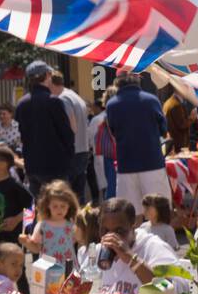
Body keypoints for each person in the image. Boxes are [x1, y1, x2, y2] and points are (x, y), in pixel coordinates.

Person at [105, 72, 170, 213]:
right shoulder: (151, 100)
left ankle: (134, 235)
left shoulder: (111, 105)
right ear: (138, 81)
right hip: (152, 161)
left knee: (130, 213)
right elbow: (163, 130)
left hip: (126, 164)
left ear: (117, 82)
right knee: (159, 210)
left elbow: (113, 132)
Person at [14, 61, 75, 201]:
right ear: (47, 75)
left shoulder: (22, 104)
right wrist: (69, 157)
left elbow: (21, 135)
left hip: (32, 165)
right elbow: (66, 134)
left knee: (39, 207)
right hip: (55, 165)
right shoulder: (54, 101)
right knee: (59, 206)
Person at [96, 197, 179, 294]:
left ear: (133, 226)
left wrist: (131, 259)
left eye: (119, 231)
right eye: (105, 231)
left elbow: (169, 291)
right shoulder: (101, 251)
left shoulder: (154, 247)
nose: (111, 237)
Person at [50, 72, 92, 202]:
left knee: (67, 195)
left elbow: (71, 127)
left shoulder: (62, 99)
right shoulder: (75, 96)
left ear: (51, 83)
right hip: (83, 149)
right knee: (79, 194)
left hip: (72, 152)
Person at [20, 179, 79, 270]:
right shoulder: (43, 226)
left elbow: (80, 241)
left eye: (63, 206)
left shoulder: (71, 224)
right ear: (48, 205)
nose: (59, 209)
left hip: (68, 269)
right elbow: (36, 248)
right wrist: (26, 242)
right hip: (49, 270)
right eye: (55, 206)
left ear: (69, 205)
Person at [0, 145, 32, 250]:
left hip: (15, 242)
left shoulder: (15, 186)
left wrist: (16, 220)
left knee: (15, 266)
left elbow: (31, 208)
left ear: (3, 165)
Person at [91, 87, 117, 201]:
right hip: (118, 155)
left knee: (109, 187)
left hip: (107, 154)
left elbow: (91, 139)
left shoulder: (99, 119)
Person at [73, 205, 101, 280]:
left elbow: (92, 273)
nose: (73, 228)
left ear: (86, 229)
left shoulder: (93, 249)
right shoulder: (82, 251)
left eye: (76, 225)